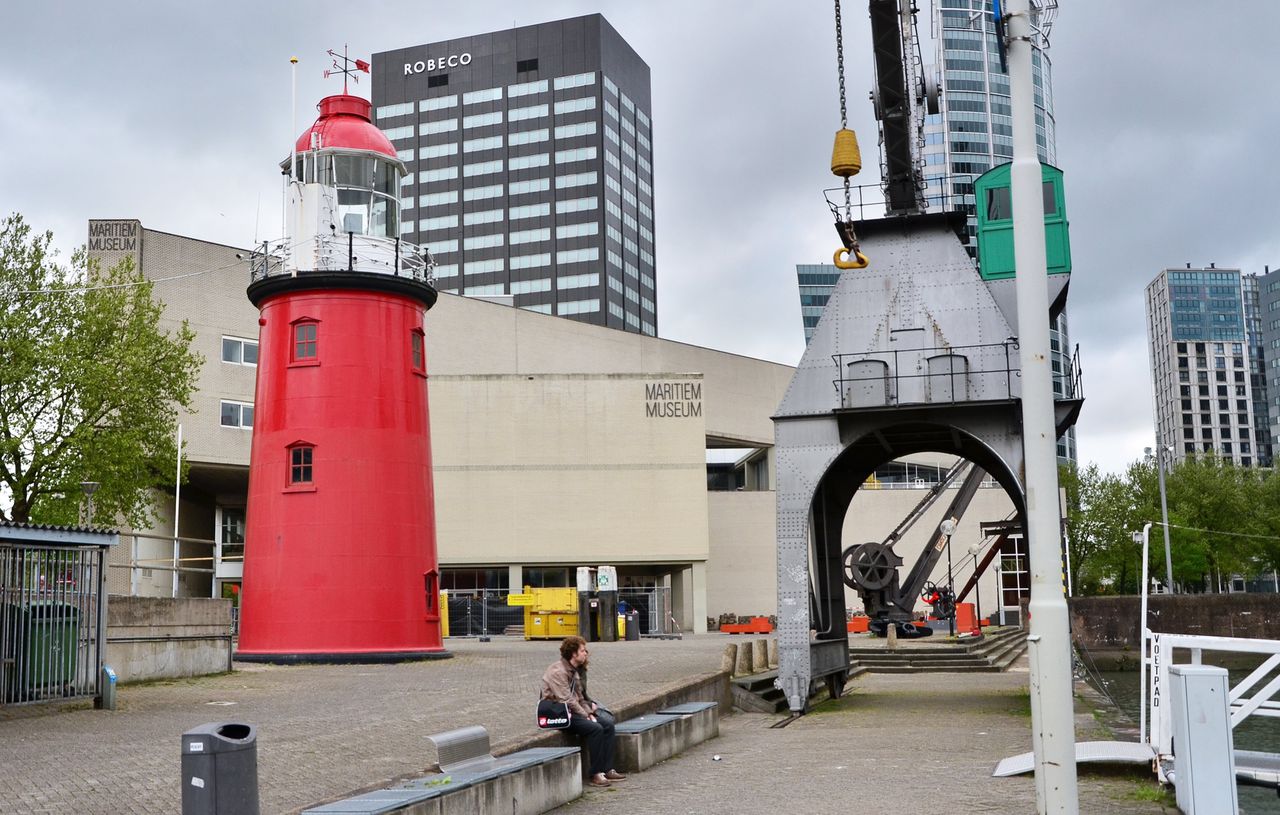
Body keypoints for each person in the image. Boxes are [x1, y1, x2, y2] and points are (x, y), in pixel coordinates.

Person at [541, 635, 627, 787]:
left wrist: (590, 713)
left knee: (607, 724)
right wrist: (586, 716)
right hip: (558, 713)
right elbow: (566, 700)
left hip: (573, 711)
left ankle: (608, 769)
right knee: (595, 729)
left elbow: (580, 697)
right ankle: (595, 773)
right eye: (582, 650)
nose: (586, 653)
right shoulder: (558, 672)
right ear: (574, 653)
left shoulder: (574, 670)